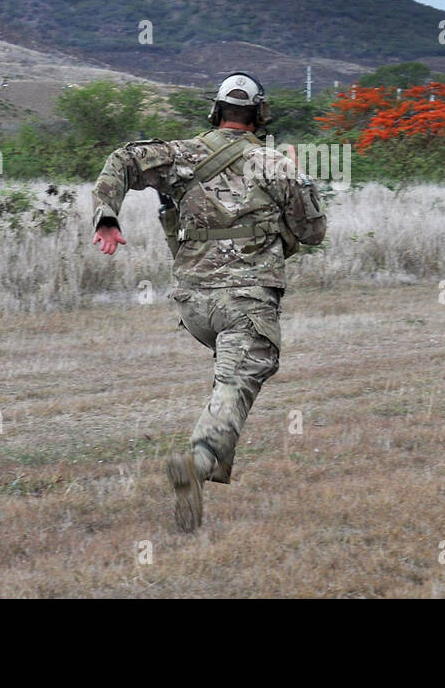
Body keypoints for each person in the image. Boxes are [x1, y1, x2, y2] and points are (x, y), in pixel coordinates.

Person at [91, 72, 327, 532]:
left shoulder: (181, 154)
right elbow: (314, 233)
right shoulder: (276, 165)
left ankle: (203, 483)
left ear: (215, 110)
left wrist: (106, 215)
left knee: (230, 376)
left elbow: (123, 159)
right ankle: (198, 462)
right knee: (237, 383)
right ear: (260, 116)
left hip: (194, 305)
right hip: (247, 302)